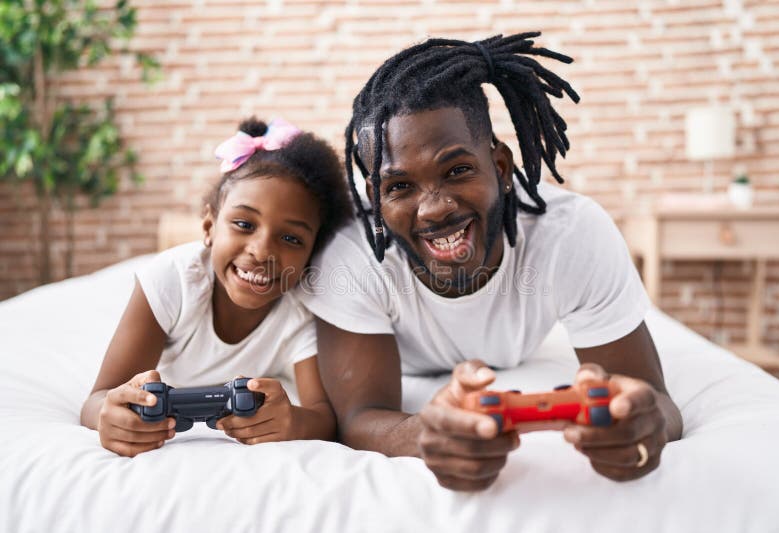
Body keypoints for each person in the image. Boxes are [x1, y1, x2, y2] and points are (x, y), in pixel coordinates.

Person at [299, 33, 683, 491]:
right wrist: (425, 434)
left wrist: (641, 424)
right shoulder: (351, 253)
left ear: (500, 167)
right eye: (399, 187)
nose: (434, 208)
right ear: (375, 199)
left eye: (457, 170)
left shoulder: (572, 235)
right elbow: (359, 418)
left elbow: (654, 400)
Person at [80, 117, 353, 457]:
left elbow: (323, 416)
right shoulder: (173, 279)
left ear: (313, 253)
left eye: (290, 238)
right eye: (243, 224)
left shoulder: (302, 309)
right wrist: (110, 416)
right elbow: (98, 398)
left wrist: (293, 422)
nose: (262, 251)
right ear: (209, 227)